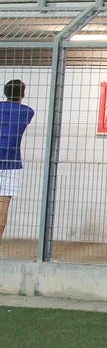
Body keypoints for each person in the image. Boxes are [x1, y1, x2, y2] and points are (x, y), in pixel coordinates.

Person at [0, 79, 35, 242]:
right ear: (22, 94)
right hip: (11, 164)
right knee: (3, 208)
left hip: (10, 164)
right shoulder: (27, 112)